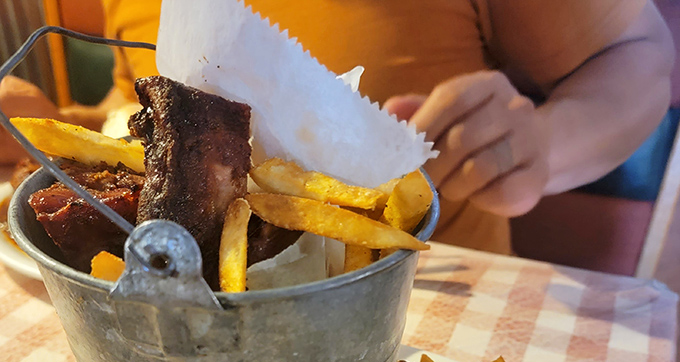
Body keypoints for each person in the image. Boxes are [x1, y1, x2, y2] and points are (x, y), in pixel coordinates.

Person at [0, 0, 674, 256]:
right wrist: (54, 126)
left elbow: (639, 59)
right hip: (175, 331)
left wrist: (545, 146)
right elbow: (140, 101)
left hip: (432, 319)